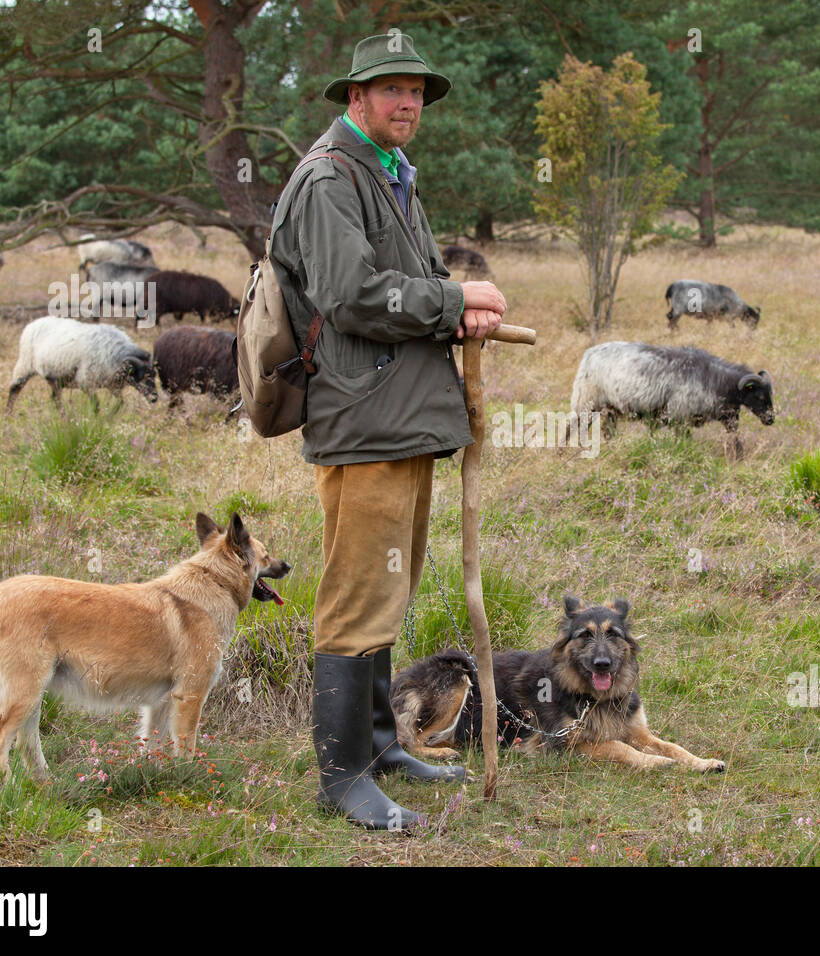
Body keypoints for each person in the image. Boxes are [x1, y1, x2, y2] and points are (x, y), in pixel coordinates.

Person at [267, 33, 505, 830]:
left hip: (400, 416)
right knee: (356, 598)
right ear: (354, 98)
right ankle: (343, 781)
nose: (407, 103)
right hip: (363, 419)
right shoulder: (330, 179)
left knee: (388, 592)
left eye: (416, 92)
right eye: (390, 89)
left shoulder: (391, 173)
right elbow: (352, 294)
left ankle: (376, 747)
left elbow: (405, 283)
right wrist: (453, 298)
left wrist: (455, 303)